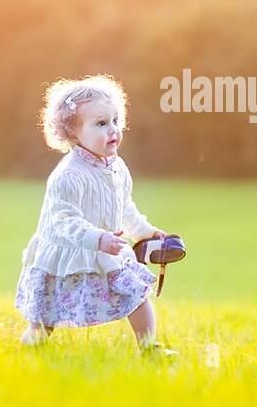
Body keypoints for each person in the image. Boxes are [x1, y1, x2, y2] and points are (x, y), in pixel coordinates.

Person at [14, 74, 178, 356]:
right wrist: (96, 238)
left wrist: (143, 232)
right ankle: (32, 345)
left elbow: (124, 206)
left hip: (108, 249)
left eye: (115, 120)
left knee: (136, 294)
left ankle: (149, 348)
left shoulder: (117, 168)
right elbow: (64, 220)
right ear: (73, 133)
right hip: (69, 254)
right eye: (101, 123)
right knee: (46, 316)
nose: (112, 129)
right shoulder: (68, 176)